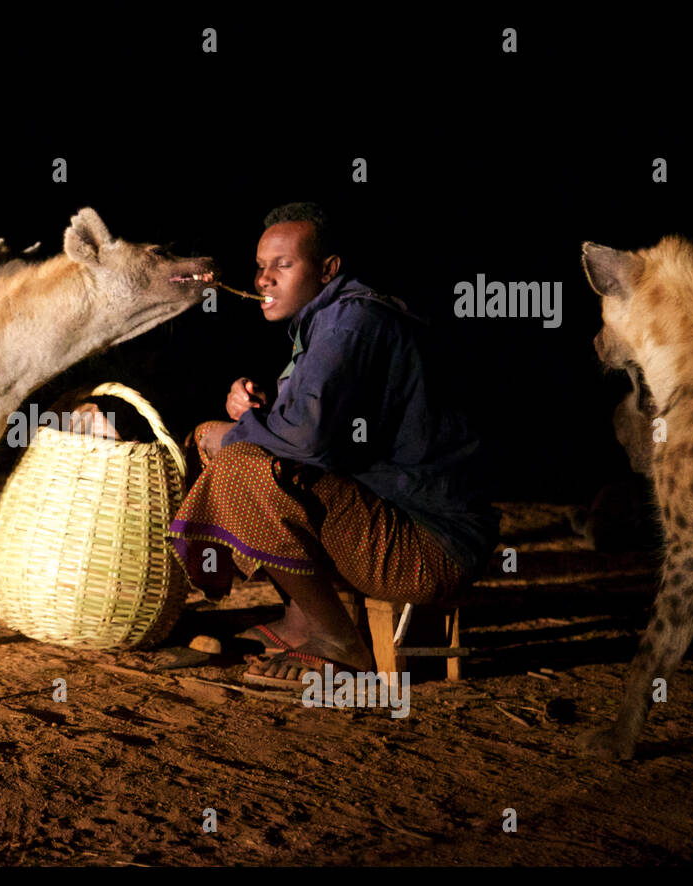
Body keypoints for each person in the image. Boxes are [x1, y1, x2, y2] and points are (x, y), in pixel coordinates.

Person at [169, 202, 499, 682]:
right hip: (404, 522)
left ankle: (338, 643)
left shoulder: (349, 323)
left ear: (328, 269)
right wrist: (265, 406)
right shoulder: (337, 318)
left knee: (238, 461)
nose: (264, 280)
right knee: (230, 447)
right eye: (261, 267)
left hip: (427, 550)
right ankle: (303, 619)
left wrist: (241, 430)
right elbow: (327, 430)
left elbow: (307, 441)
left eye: (283, 265)